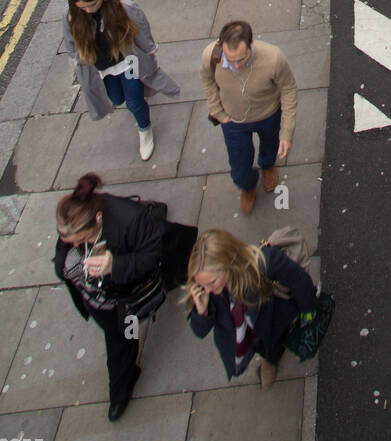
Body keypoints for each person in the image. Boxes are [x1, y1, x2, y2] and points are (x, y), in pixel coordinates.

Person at [54, 175, 194, 420]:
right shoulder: (74, 224)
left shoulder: (129, 220)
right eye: (66, 239)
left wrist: (115, 265)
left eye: (79, 239)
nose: (72, 244)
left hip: (123, 301)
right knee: (120, 338)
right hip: (97, 299)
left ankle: (122, 386)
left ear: (97, 220)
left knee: (123, 337)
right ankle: (123, 382)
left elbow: (152, 256)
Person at [63, 0, 180, 160]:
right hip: (102, 67)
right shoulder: (71, 14)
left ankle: (144, 129)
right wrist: (75, 61)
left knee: (134, 102)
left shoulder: (124, 6)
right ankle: (137, 97)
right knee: (117, 99)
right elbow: (70, 42)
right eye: (82, 8)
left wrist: (149, 52)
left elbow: (142, 30)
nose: (87, 11)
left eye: (91, 5)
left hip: (128, 63)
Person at [185, 229, 318, 387]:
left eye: (211, 282)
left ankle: (271, 361)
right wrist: (202, 311)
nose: (206, 290)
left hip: (271, 324)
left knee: (272, 347)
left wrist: (308, 317)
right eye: (202, 285)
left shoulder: (266, 262)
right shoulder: (208, 293)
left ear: (229, 263)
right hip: (242, 338)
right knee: (260, 346)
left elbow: (302, 285)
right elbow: (200, 331)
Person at [199, 21, 298, 213]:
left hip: (268, 115)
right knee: (239, 167)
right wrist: (217, 111)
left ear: (251, 44)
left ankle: (268, 166)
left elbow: (289, 90)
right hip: (233, 120)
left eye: (242, 59)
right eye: (231, 60)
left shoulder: (273, 58)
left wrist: (287, 132)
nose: (236, 66)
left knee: (270, 146)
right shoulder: (211, 56)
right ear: (221, 47)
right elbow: (206, 79)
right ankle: (247, 184)